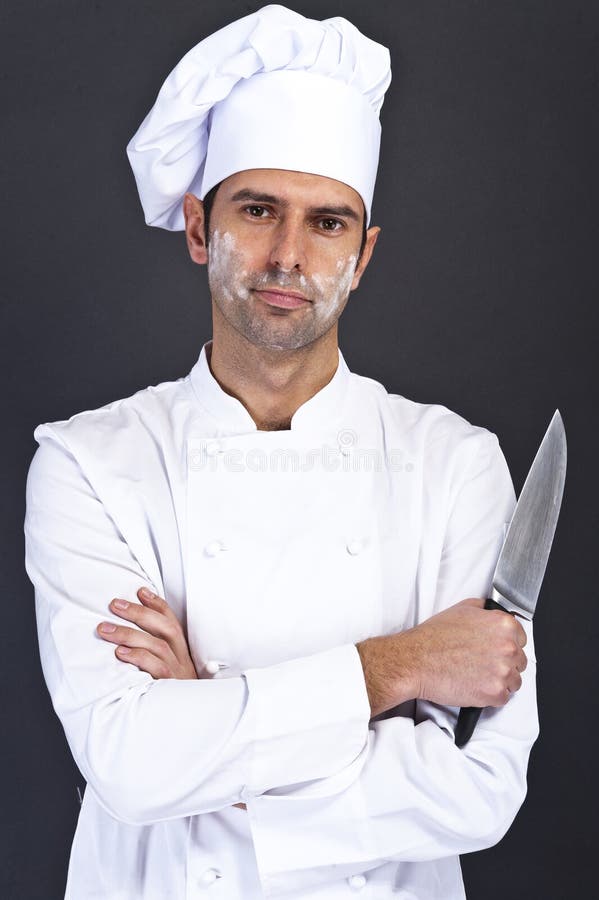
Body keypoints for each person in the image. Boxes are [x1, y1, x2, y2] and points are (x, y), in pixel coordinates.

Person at [24, 6, 537, 899]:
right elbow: (129, 765)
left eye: (328, 223)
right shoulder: (89, 463)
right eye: (257, 211)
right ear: (197, 229)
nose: (288, 256)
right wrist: (398, 668)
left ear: (364, 254)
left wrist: (203, 736)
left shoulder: (454, 465)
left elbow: (475, 792)